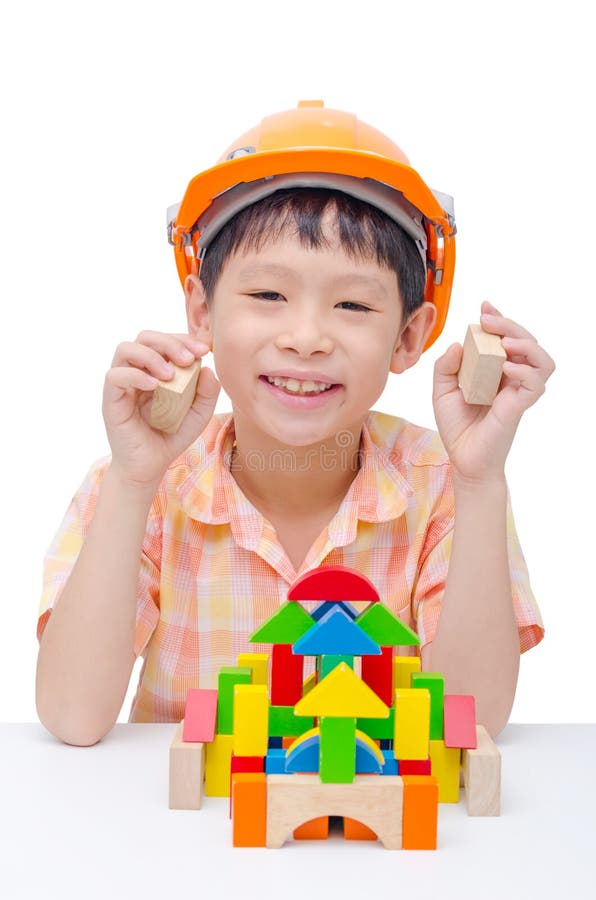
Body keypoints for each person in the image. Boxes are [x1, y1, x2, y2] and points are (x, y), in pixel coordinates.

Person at [35, 100, 555, 746]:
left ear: (409, 335)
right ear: (201, 310)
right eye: (268, 295)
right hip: (178, 840)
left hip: (360, 828)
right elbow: (71, 719)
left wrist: (481, 483)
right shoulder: (142, 485)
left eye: (352, 304)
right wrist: (133, 483)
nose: (306, 338)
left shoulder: (447, 486)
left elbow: (466, 725)